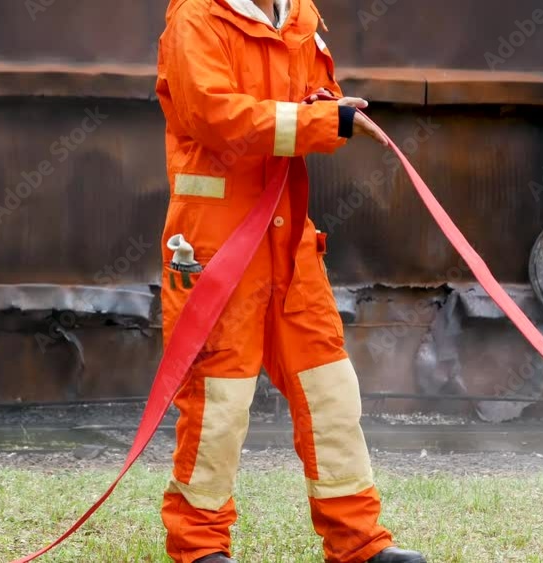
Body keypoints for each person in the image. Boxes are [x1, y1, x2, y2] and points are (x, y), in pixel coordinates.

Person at [155, 0, 426, 562]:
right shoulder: (197, 19)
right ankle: (199, 548)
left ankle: (359, 545)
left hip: (289, 240)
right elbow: (214, 116)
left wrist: (326, 107)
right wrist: (320, 121)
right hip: (217, 244)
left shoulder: (299, 16)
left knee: (330, 393)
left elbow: (303, 103)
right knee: (218, 403)